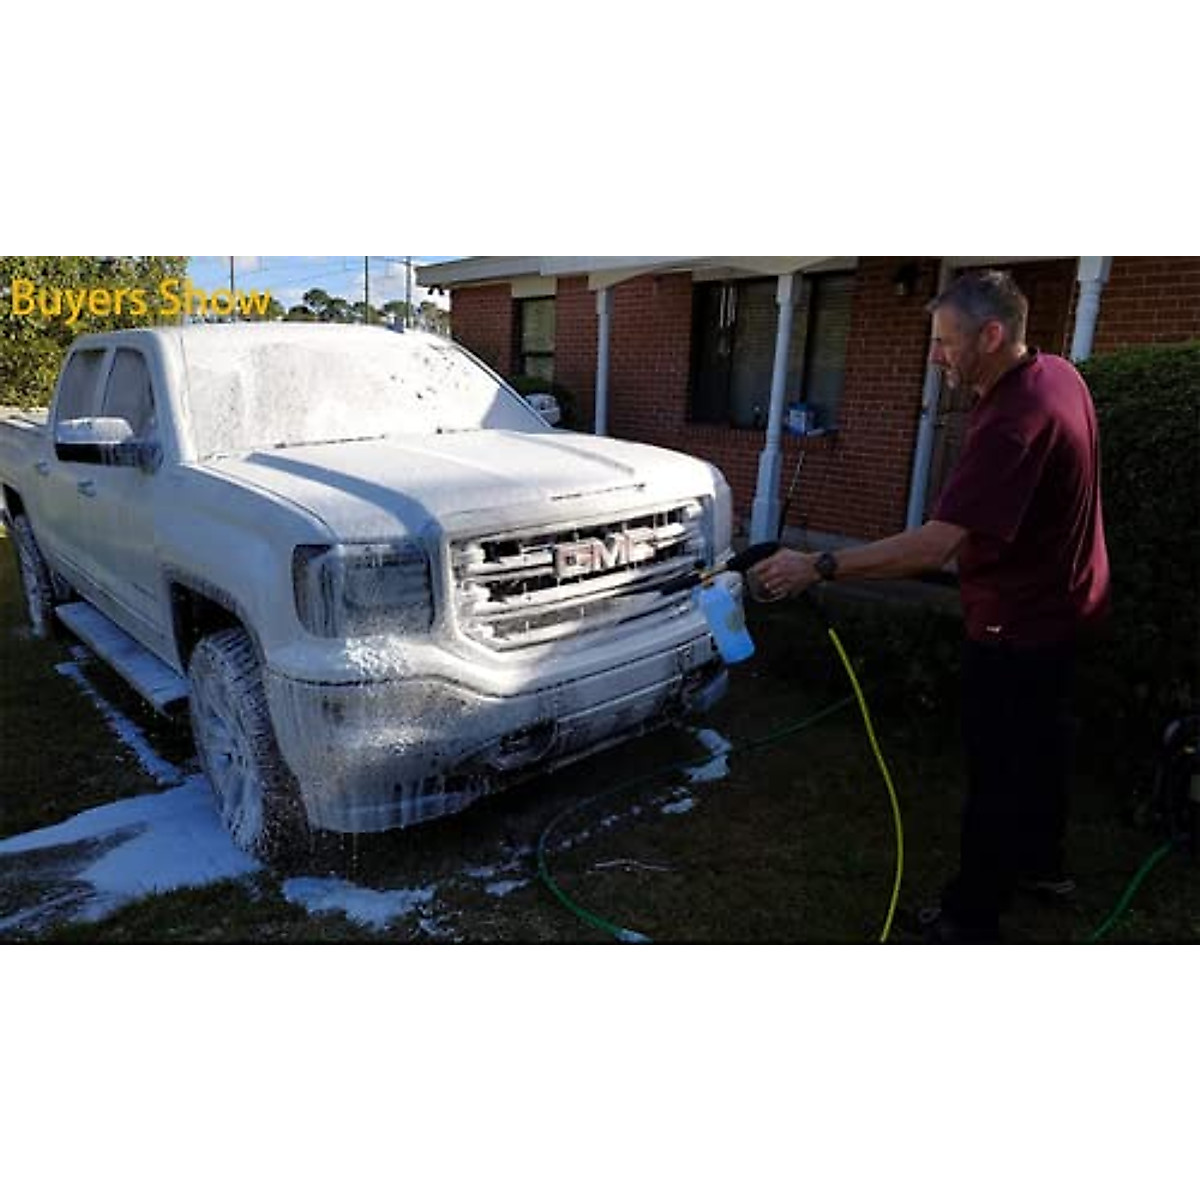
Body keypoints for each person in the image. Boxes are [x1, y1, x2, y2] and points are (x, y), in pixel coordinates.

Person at [751, 271, 1111, 943]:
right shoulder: (1060, 374)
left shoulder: (1010, 423)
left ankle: (969, 918)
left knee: (997, 771)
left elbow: (935, 546)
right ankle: (1044, 866)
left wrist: (817, 564)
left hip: (1018, 623)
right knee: (1042, 746)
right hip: (1071, 604)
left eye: (946, 342)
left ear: (992, 335)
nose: (935, 356)